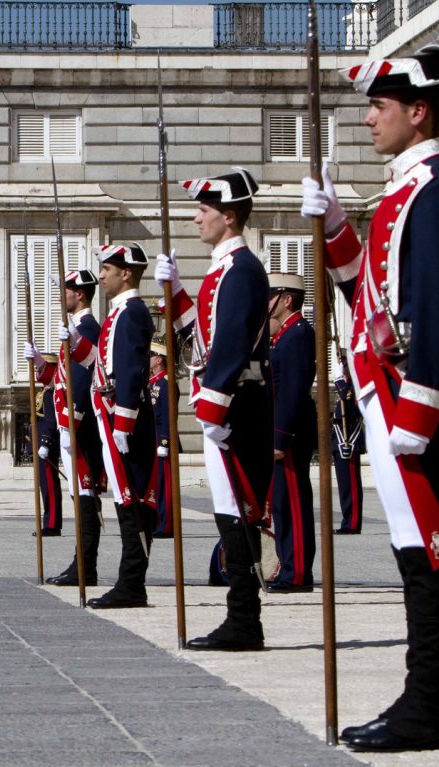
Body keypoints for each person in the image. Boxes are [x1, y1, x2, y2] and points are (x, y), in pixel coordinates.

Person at [301, 44, 439, 751]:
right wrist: (339, 224)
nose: (369, 118)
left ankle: (434, 706)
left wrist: (416, 412)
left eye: (380, 105)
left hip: (418, 407)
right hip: (392, 398)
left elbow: (438, 311)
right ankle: (423, 697)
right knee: (414, 550)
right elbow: (366, 295)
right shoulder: (405, 192)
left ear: (419, 110)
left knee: (434, 551)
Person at [157, 167, 272, 649]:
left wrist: (215, 407)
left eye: (203, 210)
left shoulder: (242, 269)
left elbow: (231, 349)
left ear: (228, 216)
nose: (195, 218)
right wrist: (178, 290)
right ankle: (240, 615)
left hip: (237, 405)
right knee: (228, 510)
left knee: (239, 509)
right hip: (225, 406)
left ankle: (245, 619)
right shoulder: (224, 270)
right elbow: (202, 341)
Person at [66, 243, 155, 609]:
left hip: (124, 420)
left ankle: (132, 581)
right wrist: (73, 341)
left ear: (126, 273)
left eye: (108, 269)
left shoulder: (132, 312)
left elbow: (132, 370)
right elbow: (99, 365)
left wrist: (124, 419)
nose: (101, 276)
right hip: (112, 418)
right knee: (123, 498)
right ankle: (129, 579)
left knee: (133, 500)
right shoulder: (119, 313)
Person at [25, 268, 104, 587]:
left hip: (79, 427)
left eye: (67, 289)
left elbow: (84, 378)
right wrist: (43, 366)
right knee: (79, 494)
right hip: (69, 424)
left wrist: (73, 420)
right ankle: (81, 561)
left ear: (80, 294)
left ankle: (86, 564)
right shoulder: (76, 327)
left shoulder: (87, 327)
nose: (62, 295)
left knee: (85, 494)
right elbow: (62, 379)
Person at [266, 272, 316, 593]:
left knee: (294, 503)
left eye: (271, 297)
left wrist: (280, 437)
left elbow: (293, 392)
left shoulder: (297, 334)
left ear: (286, 299)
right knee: (283, 503)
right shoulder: (282, 334)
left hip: (291, 433)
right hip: (279, 429)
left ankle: (297, 573)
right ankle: (289, 565)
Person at [332, 366, 365, 534]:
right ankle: (347, 520)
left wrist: (338, 380)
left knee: (350, 484)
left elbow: (346, 396)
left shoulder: (355, 382)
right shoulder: (347, 381)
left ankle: (352, 523)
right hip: (340, 435)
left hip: (349, 436)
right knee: (344, 483)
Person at [148, 338, 176, 539]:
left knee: (165, 484)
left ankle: (166, 525)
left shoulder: (166, 383)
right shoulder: (152, 383)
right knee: (156, 483)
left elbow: (168, 414)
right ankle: (157, 520)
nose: (147, 359)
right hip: (152, 438)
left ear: (159, 359)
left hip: (161, 439)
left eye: (151, 356)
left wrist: (164, 440)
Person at [35, 356, 63, 537]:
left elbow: (51, 422)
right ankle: (49, 521)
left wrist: (45, 442)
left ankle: (52, 524)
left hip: (47, 446)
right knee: (45, 485)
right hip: (41, 445)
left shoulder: (50, 393)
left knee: (50, 485)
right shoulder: (45, 391)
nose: (38, 371)